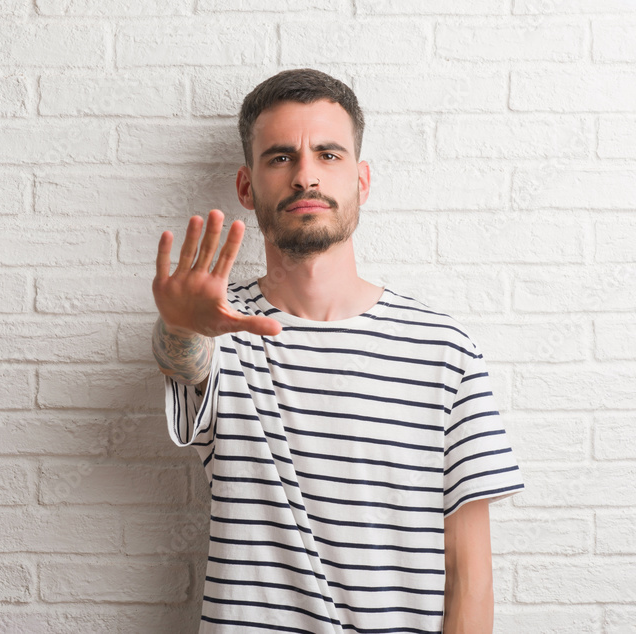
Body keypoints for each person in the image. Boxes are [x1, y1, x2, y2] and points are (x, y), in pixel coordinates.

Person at [150, 68, 524, 634]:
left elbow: (469, 570)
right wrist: (180, 327)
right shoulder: (223, 329)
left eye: (328, 155)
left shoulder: (444, 350)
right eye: (280, 158)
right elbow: (183, 358)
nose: (305, 176)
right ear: (246, 187)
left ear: (362, 180)